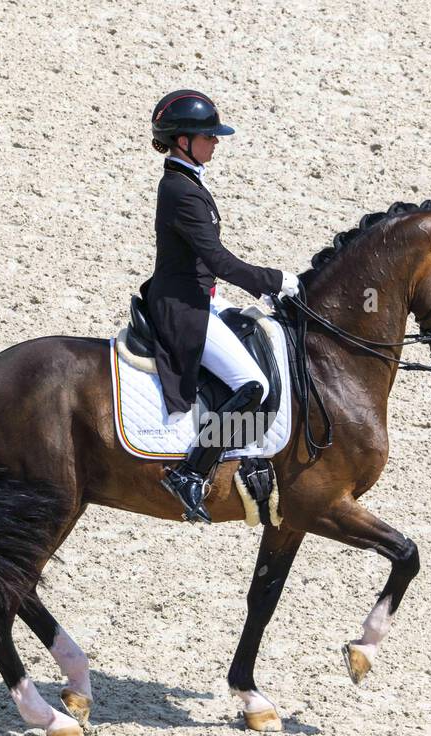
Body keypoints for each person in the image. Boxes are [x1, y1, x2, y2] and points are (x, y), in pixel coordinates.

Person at [145, 90, 301, 524]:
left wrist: (263, 295)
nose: (216, 142)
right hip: (183, 305)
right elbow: (217, 259)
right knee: (253, 386)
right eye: (208, 136)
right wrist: (273, 280)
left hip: (202, 296)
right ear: (182, 140)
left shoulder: (189, 180)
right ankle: (192, 472)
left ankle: (247, 451)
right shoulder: (181, 190)